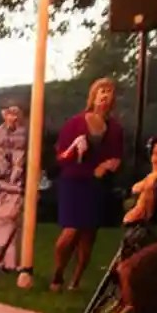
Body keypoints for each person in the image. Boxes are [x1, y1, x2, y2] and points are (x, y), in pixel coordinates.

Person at [51, 78, 123, 291]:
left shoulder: (115, 128)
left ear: (112, 99)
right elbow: (61, 156)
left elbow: (117, 157)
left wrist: (108, 165)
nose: (105, 94)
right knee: (71, 231)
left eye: (109, 91)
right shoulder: (75, 123)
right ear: (93, 95)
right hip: (73, 182)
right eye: (102, 90)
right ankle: (58, 274)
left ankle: (76, 280)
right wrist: (75, 148)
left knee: (88, 235)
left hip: (96, 185)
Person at [0, 103, 27, 272]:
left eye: (16, 114)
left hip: (15, 183)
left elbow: (22, 159)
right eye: (9, 113)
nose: (13, 118)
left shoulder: (24, 134)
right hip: (2, 183)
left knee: (9, 219)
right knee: (3, 219)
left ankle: (1, 260)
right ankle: (7, 262)